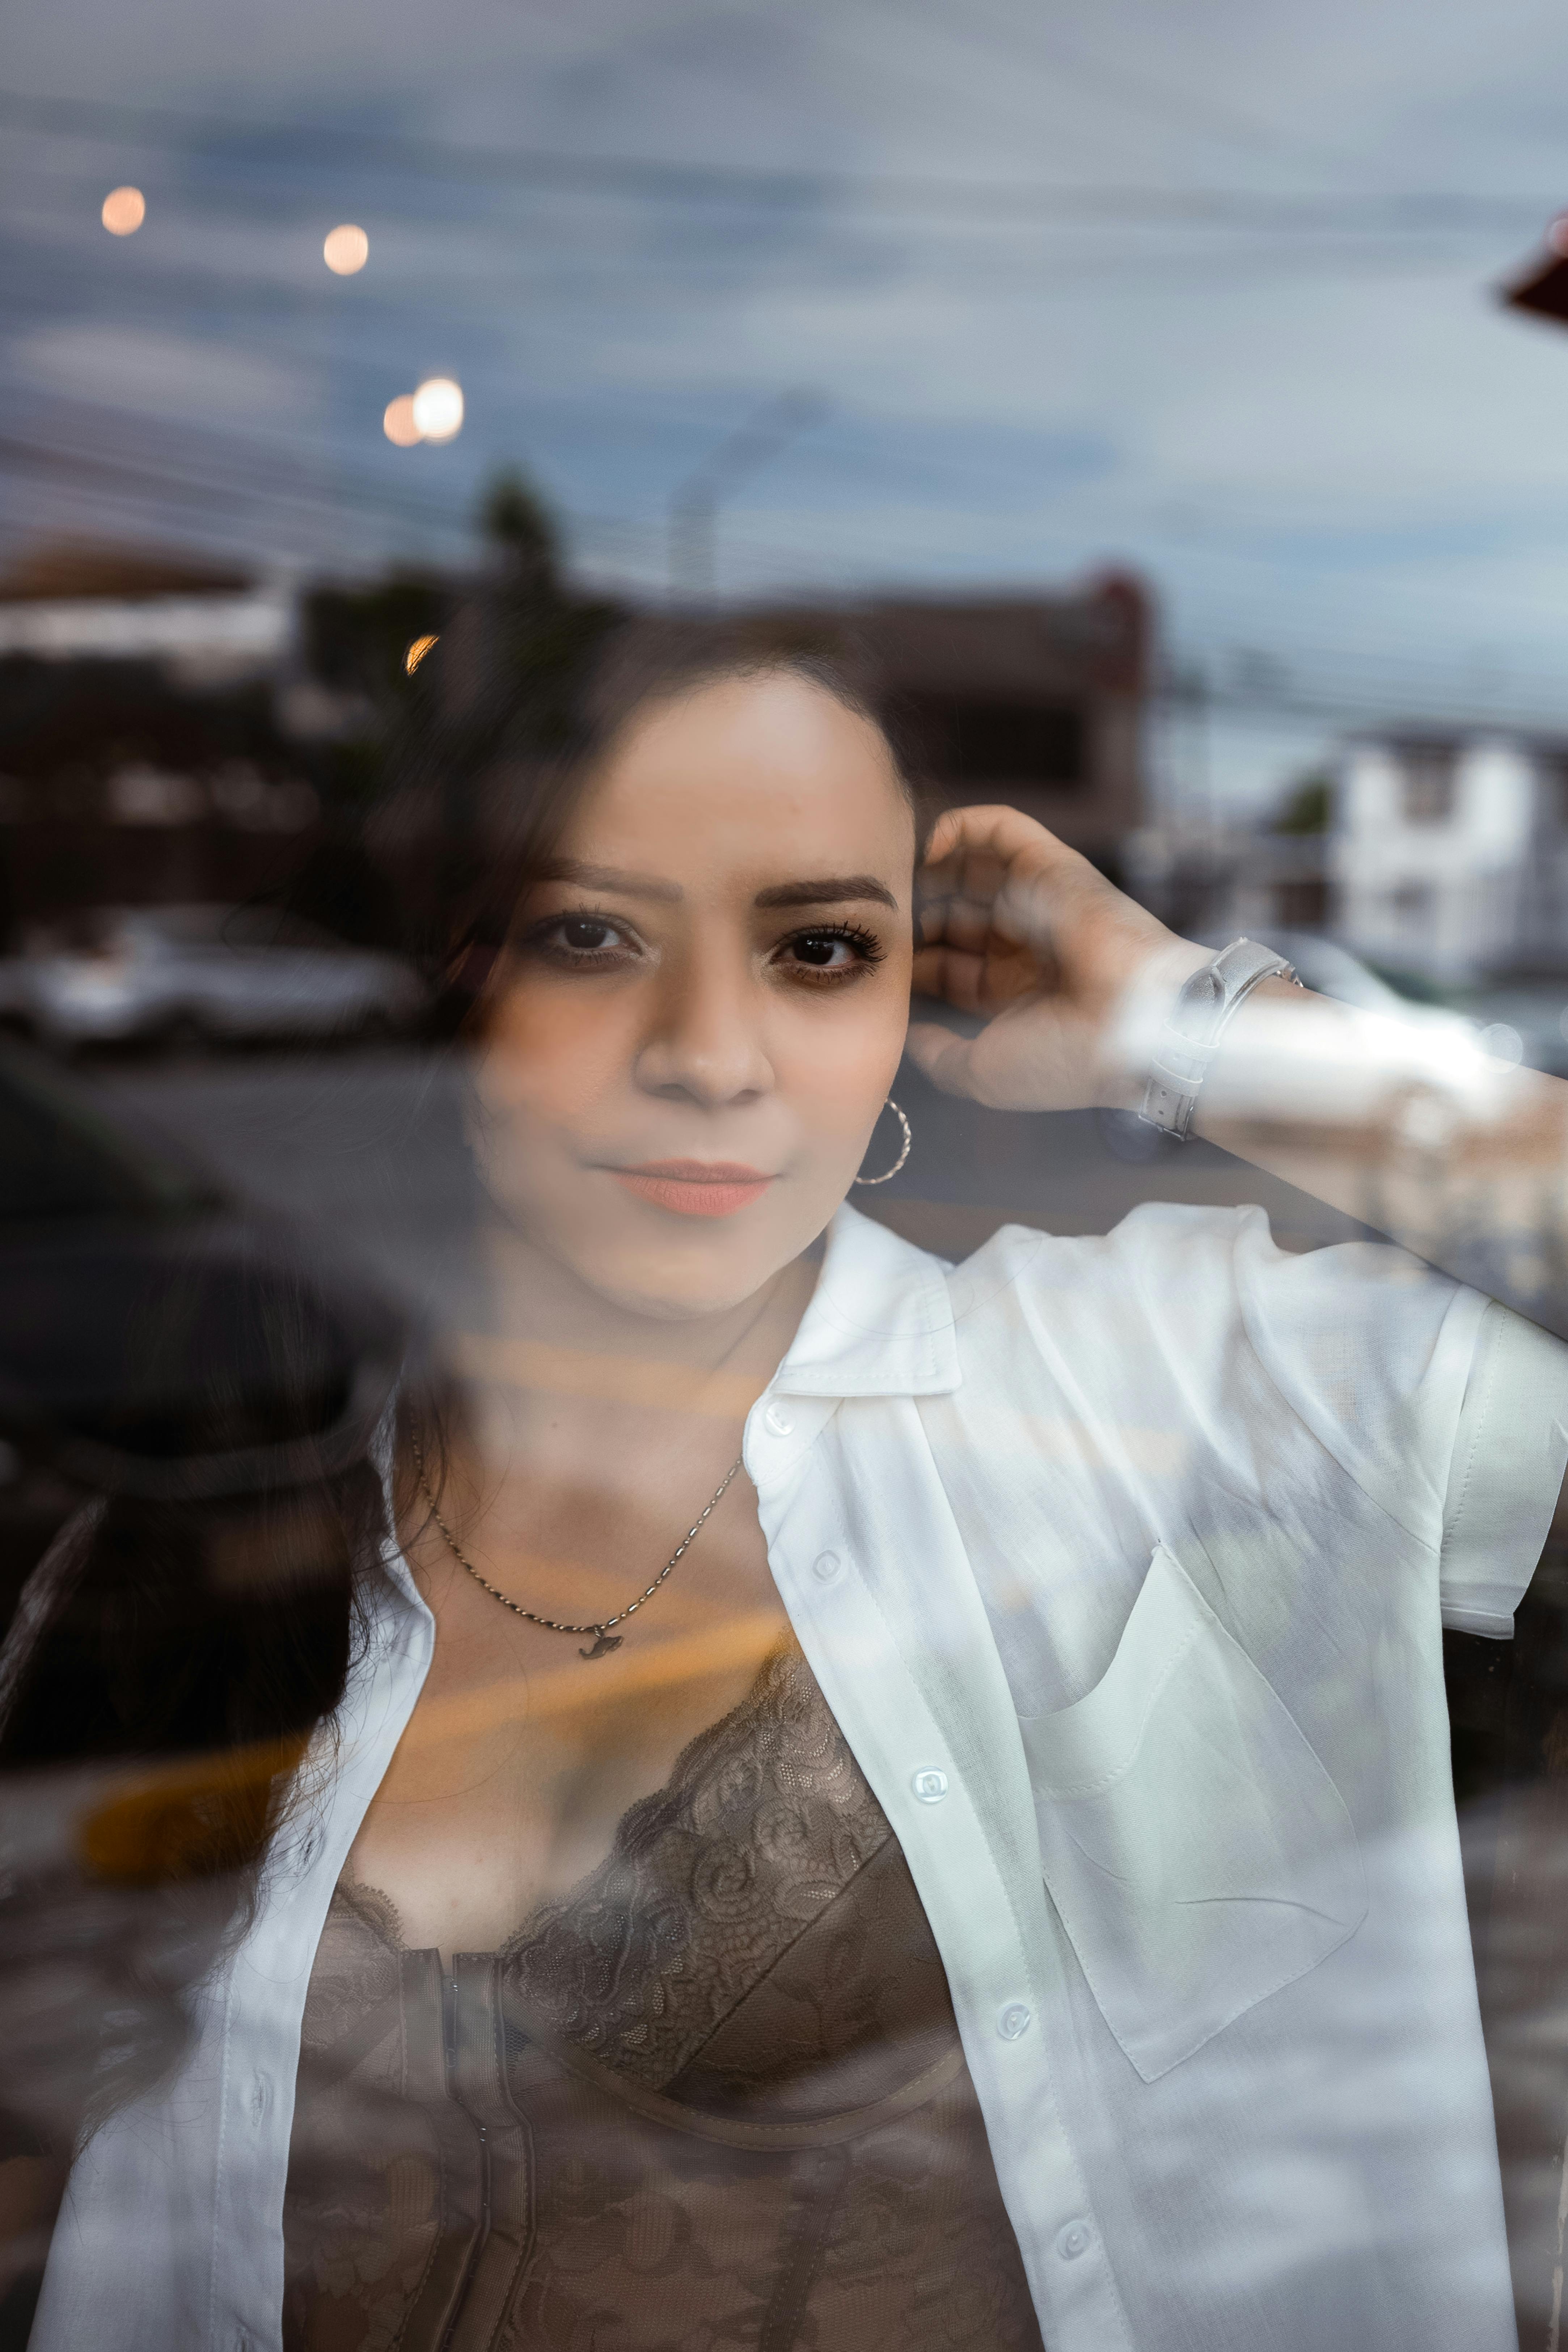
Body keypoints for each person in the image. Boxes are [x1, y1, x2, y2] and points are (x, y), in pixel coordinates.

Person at [8, 623, 1568, 2352]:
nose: (710, 1052)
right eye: (594, 935)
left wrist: (1174, 1016)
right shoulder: (205, 1543)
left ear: (909, 992)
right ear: (466, 972)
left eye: (819, 947)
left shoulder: (1155, 1381)